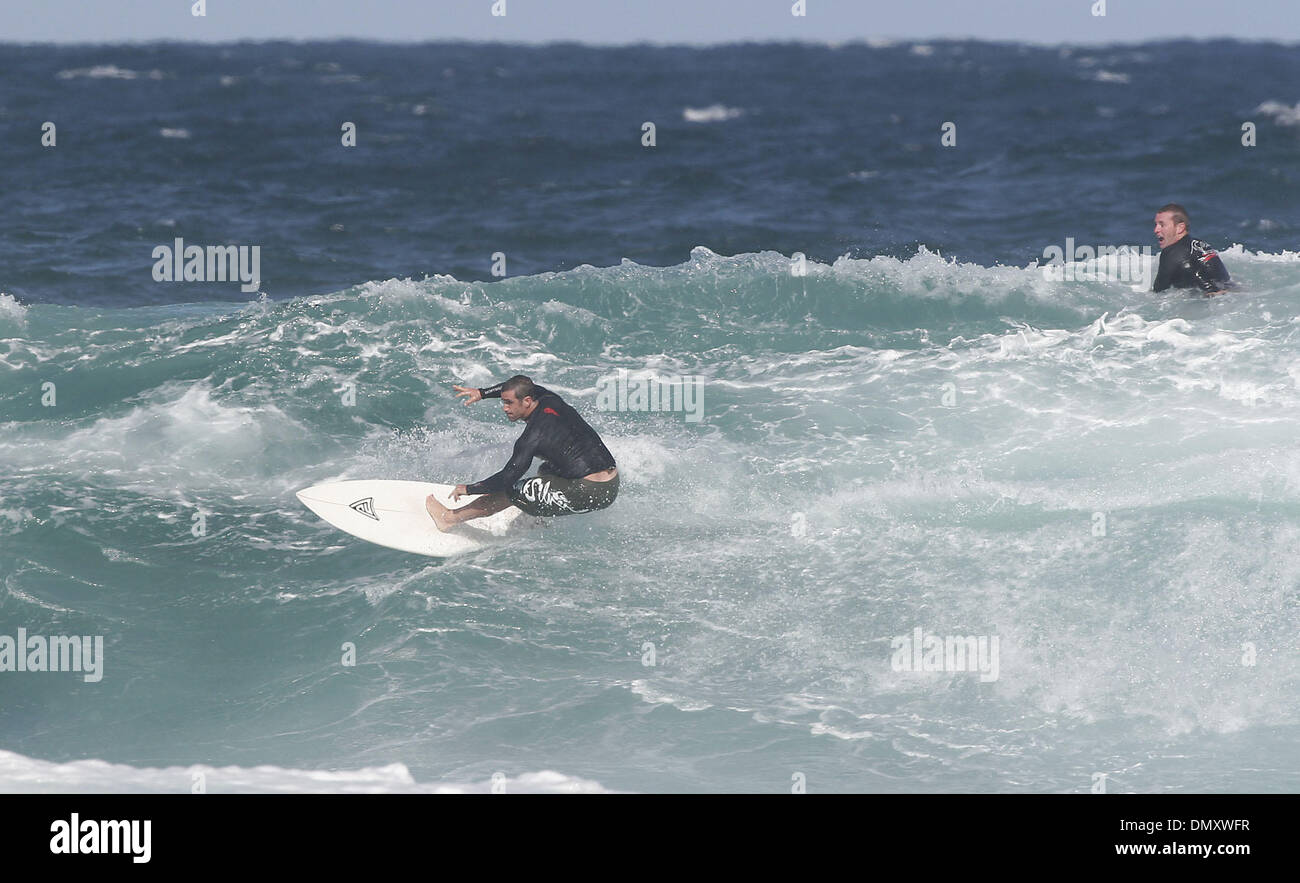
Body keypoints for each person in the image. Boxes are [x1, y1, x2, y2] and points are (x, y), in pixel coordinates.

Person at [425, 375, 618, 531]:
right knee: (545, 469)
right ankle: (539, 518)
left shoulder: (533, 436)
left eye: (509, 403)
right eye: (503, 402)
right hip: (610, 483)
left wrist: (469, 489)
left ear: (526, 401)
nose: (505, 408)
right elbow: (519, 386)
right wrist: (482, 393)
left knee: (513, 490)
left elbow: (506, 478)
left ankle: (448, 519)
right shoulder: (548, 399)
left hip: (590, 491)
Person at [1152, 203, 1231, 295]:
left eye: (1162, 225)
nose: (1156, 230)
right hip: (1231, 291)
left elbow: (1158, 292)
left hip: (1209, 299)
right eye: (1156, 225)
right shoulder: (1200, 244)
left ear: (1180, 228)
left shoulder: (1171, 253)